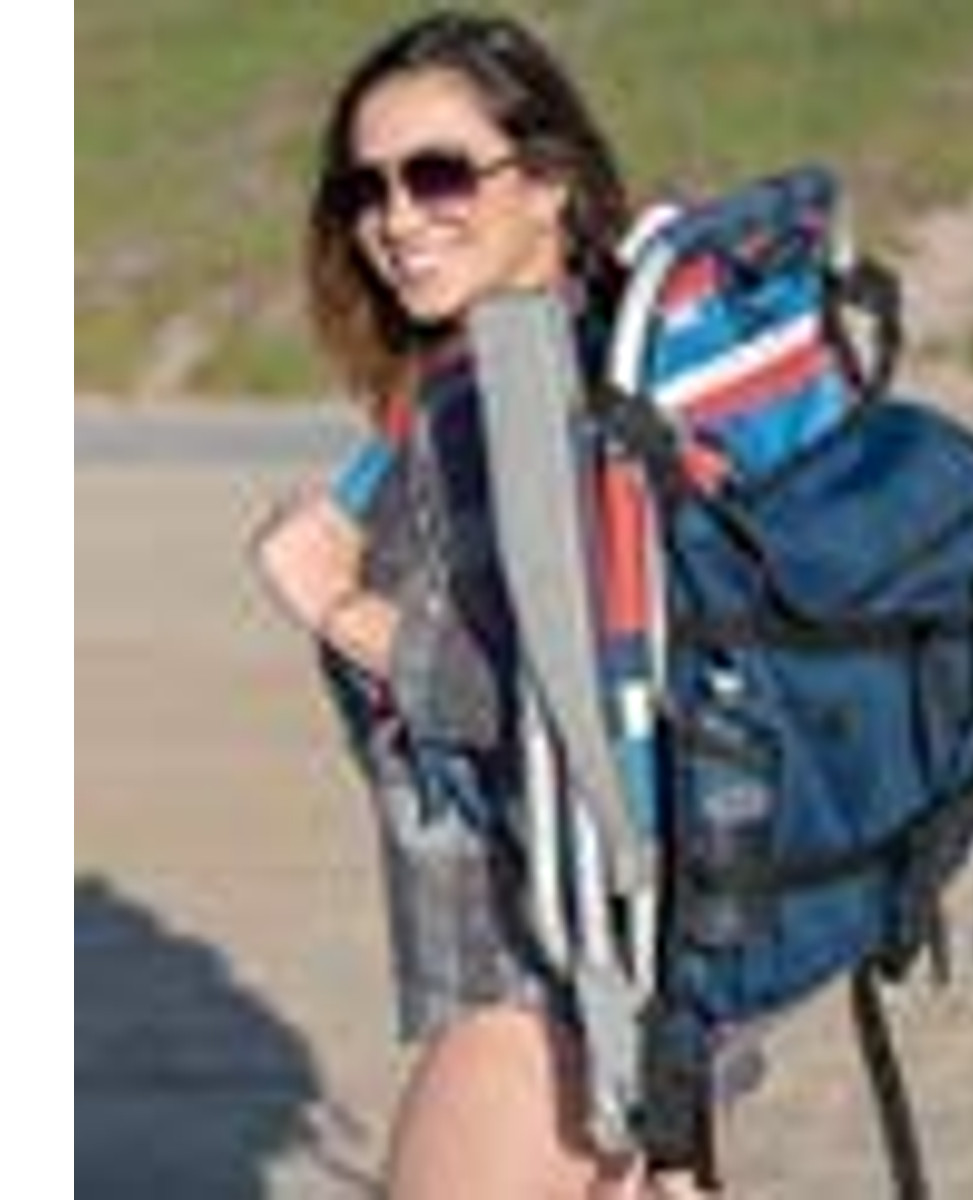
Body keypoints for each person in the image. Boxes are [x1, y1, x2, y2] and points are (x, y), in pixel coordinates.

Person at [251, 11, 713, 1199]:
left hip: (538, 977)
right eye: (365, 188)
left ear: (549, 182)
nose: (397, 218)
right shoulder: (619, 365)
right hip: (667, 959)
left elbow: (544, 706)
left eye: (440, 174)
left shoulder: (507, 405)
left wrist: (336, 605)